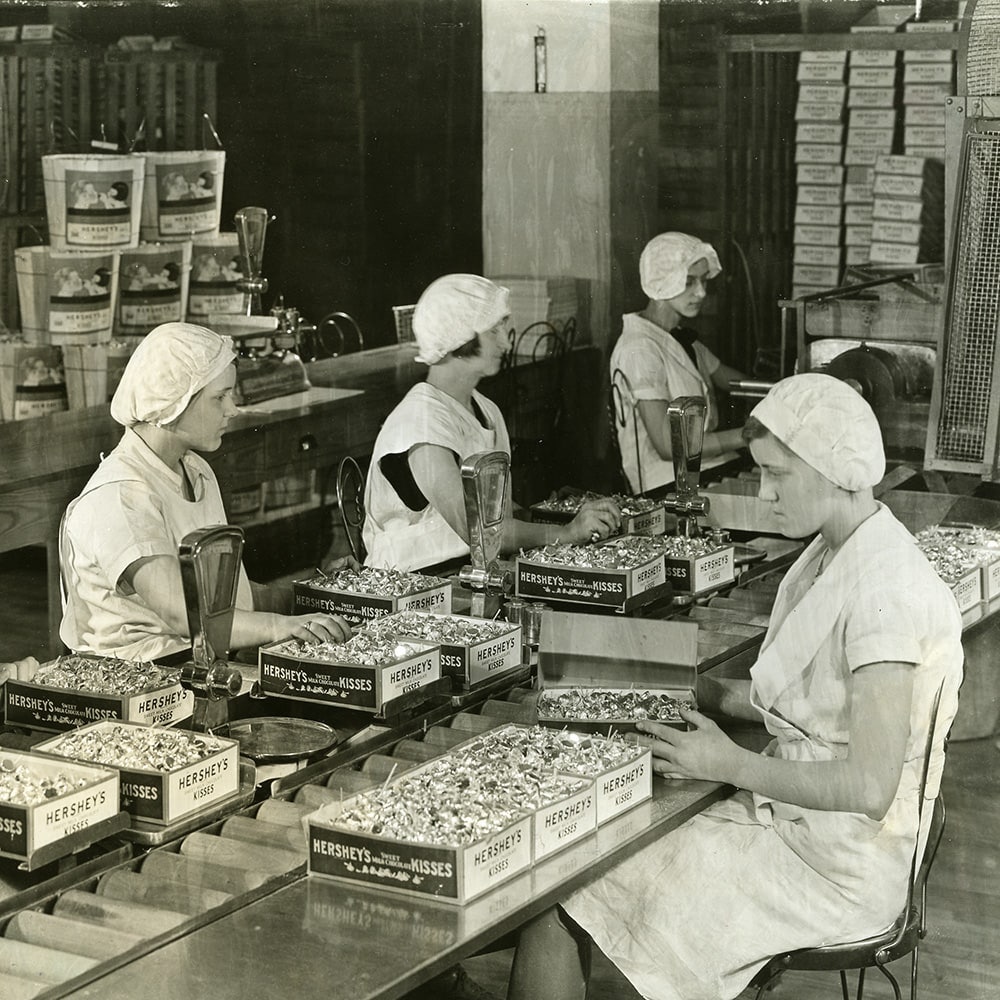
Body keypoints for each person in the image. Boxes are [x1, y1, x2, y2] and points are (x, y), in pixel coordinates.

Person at [506, 373, 964, 1000]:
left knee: (559, 893)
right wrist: (696, 690)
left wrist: (729, 762)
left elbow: (869, 786)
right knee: (580, 874)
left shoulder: (886, 590)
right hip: (803, 828)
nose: (765, 493)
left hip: (838, 867)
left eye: (779, 475)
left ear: (834, 471)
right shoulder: (837, 551)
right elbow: (814, 707)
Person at [59, 322, 355, 664]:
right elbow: (183, 613)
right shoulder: (120, 495)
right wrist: (278, 626)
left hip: (198, 657)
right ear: (173, 402)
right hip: (142, 677)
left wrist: (317, 596)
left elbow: (229, 601)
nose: (233, 409)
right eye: (220, 398)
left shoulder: (195, 470)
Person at [363, 273, 621, 572]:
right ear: (458, 335)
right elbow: (479, 532)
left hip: (468, 570)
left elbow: (496, 516)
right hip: (415, 584)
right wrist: (566, 533)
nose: (506, 340)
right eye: (494, 329)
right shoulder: (418, 422)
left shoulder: (485, 409)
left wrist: (563, 515)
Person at [610, 232, 748, 495]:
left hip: (705, 467)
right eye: (688, 282)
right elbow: (667, 446)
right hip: (667, 485)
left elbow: (729, 379)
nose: (701, 292)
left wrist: (785, 389)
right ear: (662, 282)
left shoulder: (677, 338)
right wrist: (745, 437)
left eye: (704, 280)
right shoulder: (639, 349)